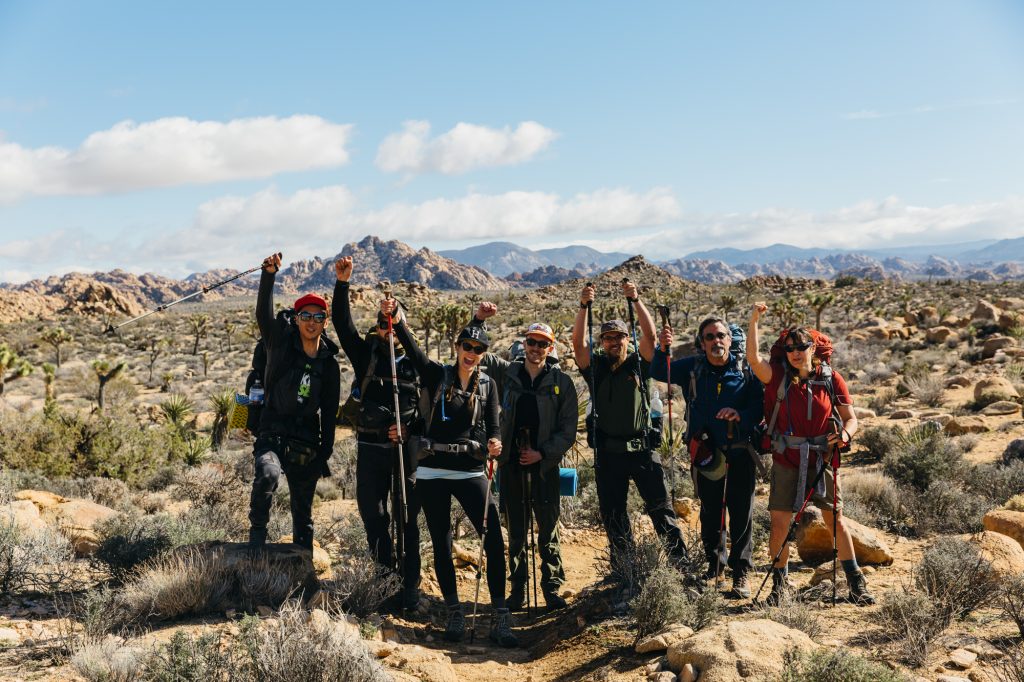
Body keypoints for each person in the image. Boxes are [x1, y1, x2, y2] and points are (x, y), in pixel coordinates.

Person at [388, 301, 518, 647]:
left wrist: (495, 442)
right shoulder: (438, 376)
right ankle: (455, 612)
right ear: (457, 348)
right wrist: (399, 320)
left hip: (471, 470)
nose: (471, 353)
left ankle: (500, 616)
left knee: (492, 539)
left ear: (483, 354)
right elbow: (415, 353)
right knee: (442, 543)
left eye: (478, 349)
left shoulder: (488, 385)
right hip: (432, 470)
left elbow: (494, 425)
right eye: (467, 347)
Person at [746, 302, 875, 605]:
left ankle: (857, 582)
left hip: (823, 457)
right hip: (787, 458)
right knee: (779, 524)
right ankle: (780, 589)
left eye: (801, 346)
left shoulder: (830, 378)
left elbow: (850, 417)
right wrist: (754, 320)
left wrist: (845, 434)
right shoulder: (777, 376)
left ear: (812, 349)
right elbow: (753, 359)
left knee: (835, 521)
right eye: (790, 348)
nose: (795, 352)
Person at [572, 281, 689, 588]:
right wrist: (583, 307)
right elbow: (577, 346)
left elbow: (650, 337)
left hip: (641, 450)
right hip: (609, 454)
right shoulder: (595, 366)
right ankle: (624, 569)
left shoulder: (641, 363)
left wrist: (636, 300)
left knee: (661, 511)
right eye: (608, 338)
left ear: (627, 340)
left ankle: (681, 566)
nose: (614, 342)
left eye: (619, 337)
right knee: (614, 515)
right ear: (602, 342)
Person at [470, 303, 579, 611]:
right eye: (531, 342)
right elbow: (476, 350)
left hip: (545, 466)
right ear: (524, 344)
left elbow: (568, 429)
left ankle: (552, 588)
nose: (535, 348)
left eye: (542, 343)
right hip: (512, 465)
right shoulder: (508, 373)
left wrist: (542, 453)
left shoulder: (562, 384)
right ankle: (517, 590)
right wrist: (479, 319)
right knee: (516, 529)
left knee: (548, 528)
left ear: (551, 347)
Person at [332, 256, 422, 612]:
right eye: (383, 323)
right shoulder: (365, 353)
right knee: (374, 515)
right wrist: (343, 284)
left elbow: (426, 405)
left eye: (394, 322)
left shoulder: (414, 359)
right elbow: (341, 323)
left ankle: (411, 584)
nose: (388, 329)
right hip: (371, 447)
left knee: (408, 517)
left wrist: (409, 427)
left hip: (405, 447)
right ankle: (385, 580)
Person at [650, 317, 764, 598]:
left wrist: (741, 416)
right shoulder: (692, 368)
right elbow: (657, 371)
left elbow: (759, 407)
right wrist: (664, 347)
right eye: (710, 337)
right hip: (705, 453)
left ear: (729, 339)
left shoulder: (746, 370)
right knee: (711, 510)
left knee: (741, 513)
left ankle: (741, 572)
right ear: (702, 343)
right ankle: (715, 566)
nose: (716, 341)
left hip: (740, 451)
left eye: (721, 336)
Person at [248, 252, 341, 553]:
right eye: (306, 316)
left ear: (325, 322)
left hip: (306, 440)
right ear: (297, 318)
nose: (311, 322)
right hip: (272, 431)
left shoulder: (328, 364)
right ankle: (256, 545)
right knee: (267, 475)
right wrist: (269, 276)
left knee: (304, 513)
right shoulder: (279, 344)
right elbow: (263, 314)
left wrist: (324, 452)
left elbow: (329, 411)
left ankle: (305, 567)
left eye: (318, 317)